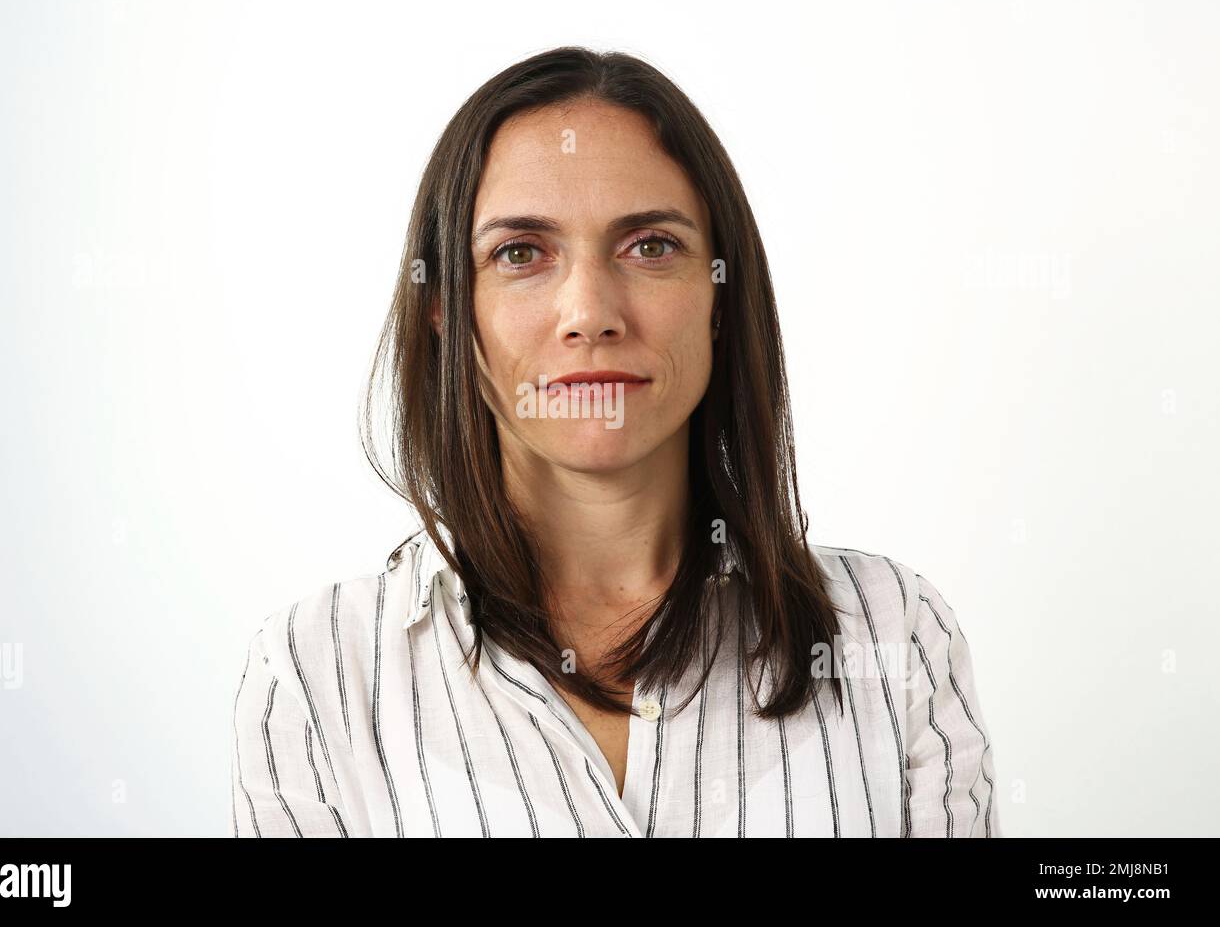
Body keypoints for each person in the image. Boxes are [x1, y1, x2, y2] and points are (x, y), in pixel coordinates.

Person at [230, 46, 1000, 837]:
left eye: (651, 246)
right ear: (446, 312)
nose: (589, 311)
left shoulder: (891, 634)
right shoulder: (314, 673)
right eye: (520, 253)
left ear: (720, 295)